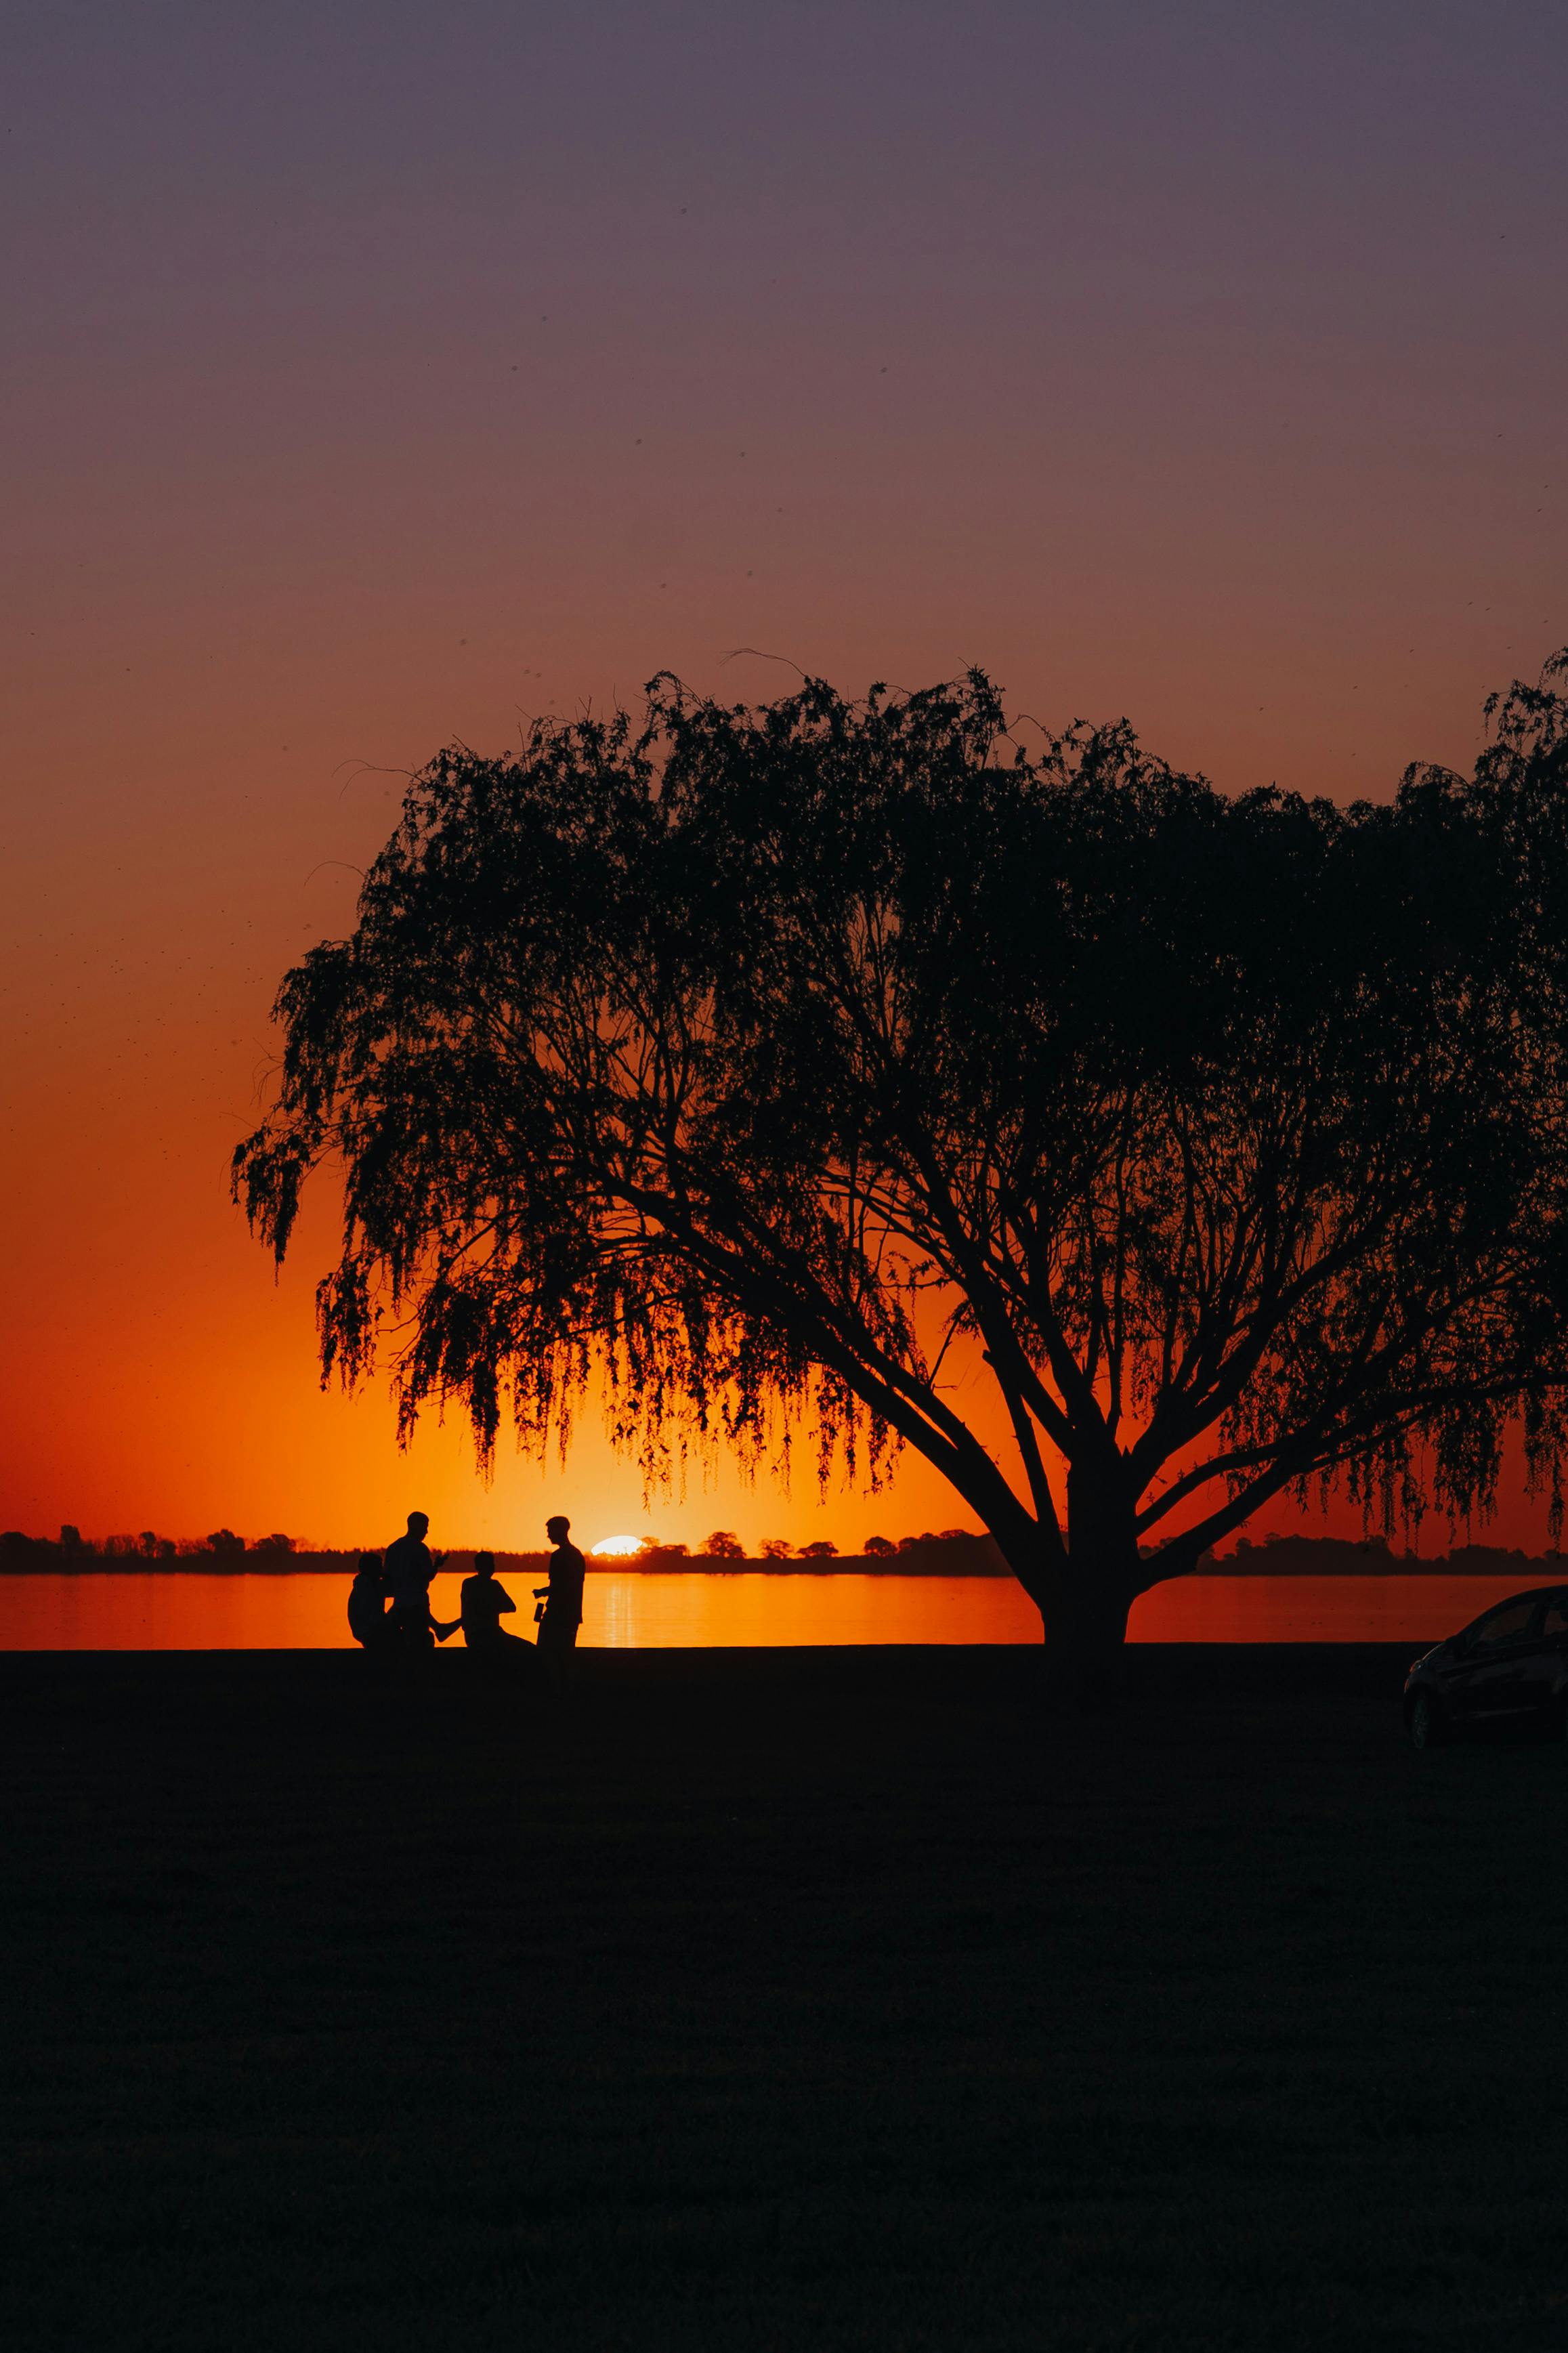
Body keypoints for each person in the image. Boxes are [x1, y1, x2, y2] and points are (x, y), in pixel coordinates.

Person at [382, 1510, 459, 1651]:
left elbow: (387, 1576)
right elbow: (428, 1576)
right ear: (415, 1526)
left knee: (408, 1641)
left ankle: (438, 1628)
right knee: (420, 1642)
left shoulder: (393, 1548)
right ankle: (439, 1630)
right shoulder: (420, 1549)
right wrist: (436, 1566)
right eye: (425, 1526)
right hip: (418, 1603)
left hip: (399, 1603)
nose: (427, 1531)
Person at [460, 1550, 536, 1671]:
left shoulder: (490, 1585)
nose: (493, 1567)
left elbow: (512, 1607)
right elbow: (478, 1608)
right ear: (480, 1567)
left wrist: (490, 1606)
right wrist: (493, 1606)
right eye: (491, 1564)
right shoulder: (472, 1584)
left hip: (492, 1634)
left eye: (493, 1564)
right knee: (526, 1651)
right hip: (479, 1635)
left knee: (529, 1649)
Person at [535, 1514, 587, 1667]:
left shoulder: (558, 1556)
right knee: (565, 1657)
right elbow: (569, 1585)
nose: (548, 1535)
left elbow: (559, 1587)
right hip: (572, 1616)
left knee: (546, 1655)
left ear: (560, 1531)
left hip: (556, 1616)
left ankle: (554, 1688)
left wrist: (543, 1592)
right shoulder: (577, 1555)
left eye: (550, 1531)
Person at [347, 1551, 392, 1650]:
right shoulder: (368, 1585)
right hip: (370, 1632)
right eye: (380, 1566)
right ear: (372, 1569)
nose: (382, 1569)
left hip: (366, 1631)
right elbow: (394, 1590)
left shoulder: (365, 1583)